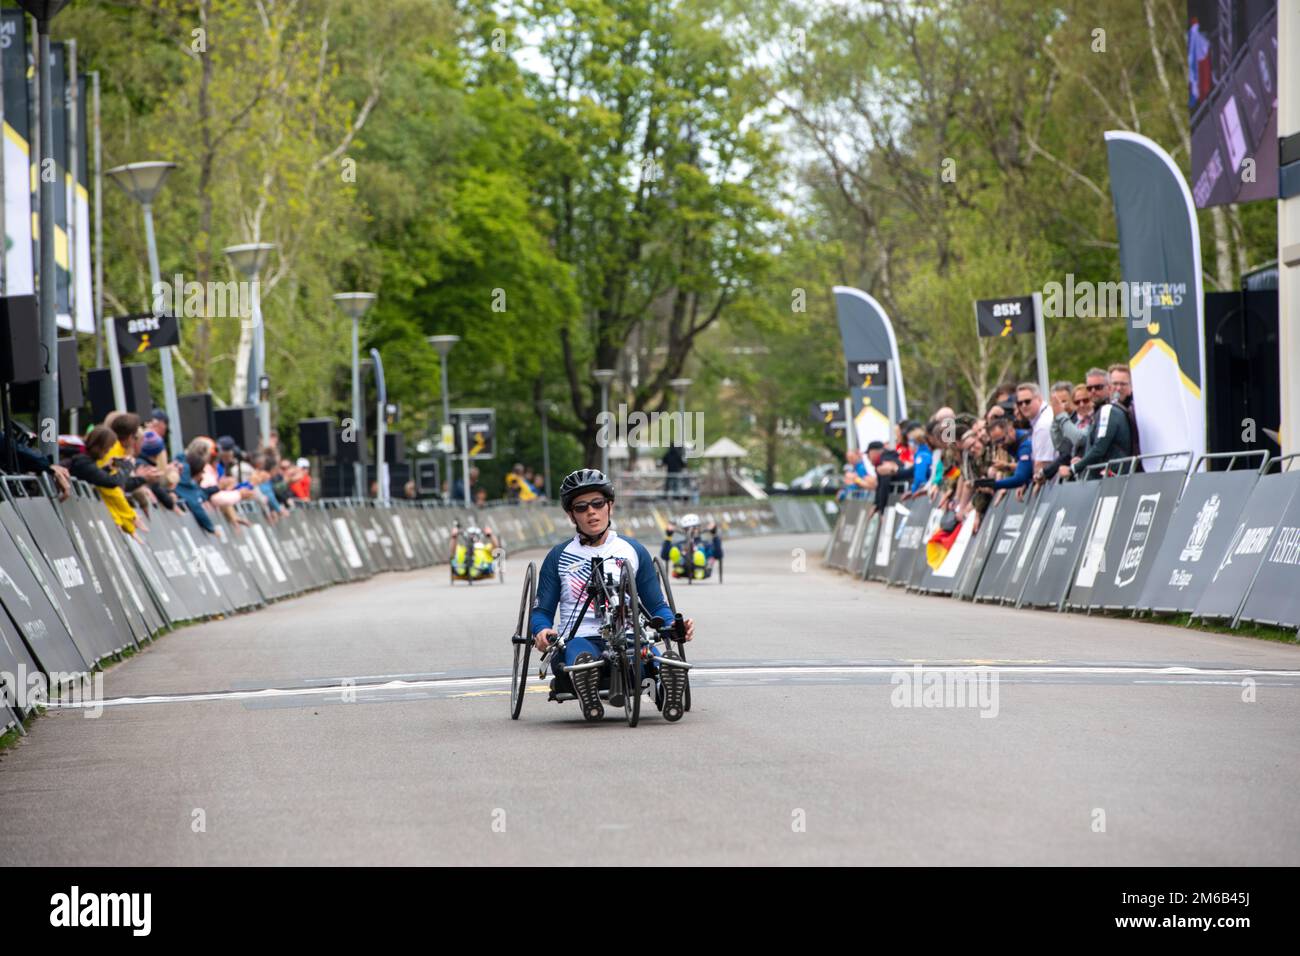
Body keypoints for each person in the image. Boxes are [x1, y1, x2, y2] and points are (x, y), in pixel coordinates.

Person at [530, 469, 695, 722]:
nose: (591, 512)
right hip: (579, 640)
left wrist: (674, 625)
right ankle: (587, 687)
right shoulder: (559, 556)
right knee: (580, 652)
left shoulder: (632, 550)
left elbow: (657, 606)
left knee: (649, 655)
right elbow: (541, 612)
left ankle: (665, 682)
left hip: (630, 640)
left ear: (610, 506)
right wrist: (542, 631)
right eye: (581, 507)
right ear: (571, 514)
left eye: (597, 504)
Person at [1071, 367, 1133, 479]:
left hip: (1111, 480)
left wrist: (1074, 468)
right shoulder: (1101, 411)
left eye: (1098, 387)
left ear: (1109, 388)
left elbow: (1099, 448)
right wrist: (1083, 458)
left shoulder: (1108, 410)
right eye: (1089, 388)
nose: (1093, 391)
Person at [661, 512, 723, 580]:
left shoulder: (705, 544)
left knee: (700, 553)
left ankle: (699, 570)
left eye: (694, 528)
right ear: (684, 530)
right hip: (683, 569)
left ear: (698, 528)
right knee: (674, 550)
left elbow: (718, 555)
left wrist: (714, 535)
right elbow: (664, 556)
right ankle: (679, 566)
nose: (691, 531)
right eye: (688, 529)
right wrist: (668, 536)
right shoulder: (679, 544)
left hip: (703, 569)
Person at [1015, 382, 1055, 475]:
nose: (1023, 406)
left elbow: (1043, 463)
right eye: (1020, 403)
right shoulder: (1040, 419)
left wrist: (1033, 484)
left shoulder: (1043, 424)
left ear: (1039, 399)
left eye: (1027, 401)